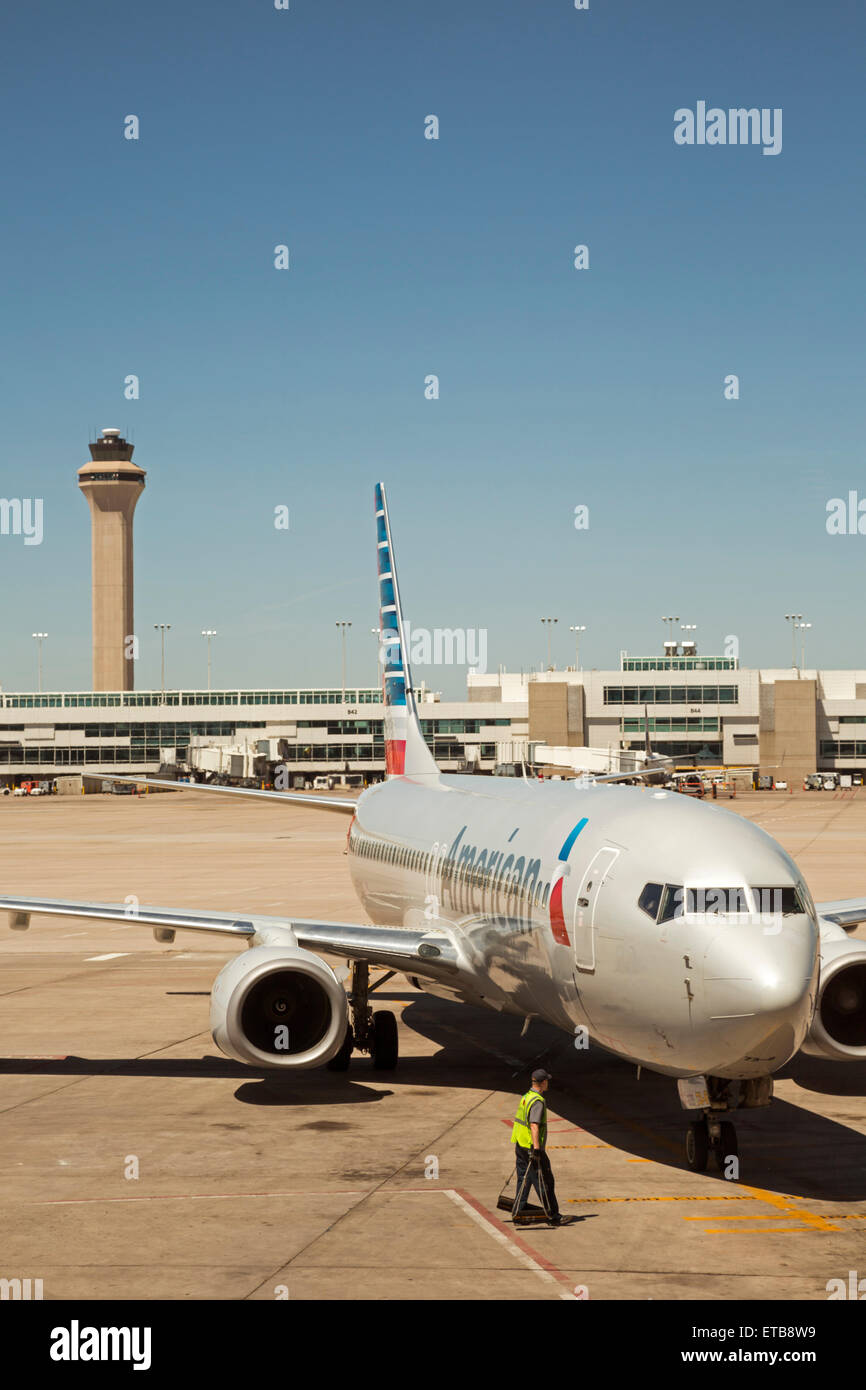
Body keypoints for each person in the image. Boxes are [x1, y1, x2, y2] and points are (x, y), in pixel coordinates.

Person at [510, 1067, 562, 1225]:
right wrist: (537, 1150)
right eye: (547, 1081)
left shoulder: (527, 1096)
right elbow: (534, 1125)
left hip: (520, 1144)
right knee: (545, 1180)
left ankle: (518, 1211)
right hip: (531, 1147)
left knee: (524, 1179)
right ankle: (553, 1215)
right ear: (543, 1082)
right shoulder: (538, 1101)